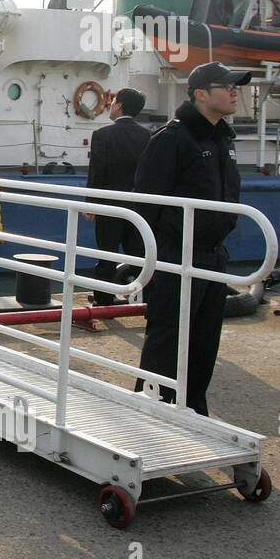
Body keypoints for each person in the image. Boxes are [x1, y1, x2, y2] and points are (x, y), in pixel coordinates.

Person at [132, 62, 247, 416]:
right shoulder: (171, 139)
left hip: (213, 257)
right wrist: (155, 259)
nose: (234, 92)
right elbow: (148, 201)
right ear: (200, 94)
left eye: (235, 87)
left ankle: (193, 410)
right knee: (168, 337)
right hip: (176, 255)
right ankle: (148, 412)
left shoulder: (223, 138)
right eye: (226, 86)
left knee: (204, 339)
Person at [85, 87, 150, 306]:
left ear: (119, 106)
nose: (110, 105)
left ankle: (104, 301)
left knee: (107, 256)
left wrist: (90, 204)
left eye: (113, 102)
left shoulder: (102, 135)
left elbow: (97, 172)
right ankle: (147, 298)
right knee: (140, 256)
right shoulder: (147, 136)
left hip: (109, 207)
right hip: (138, 208)